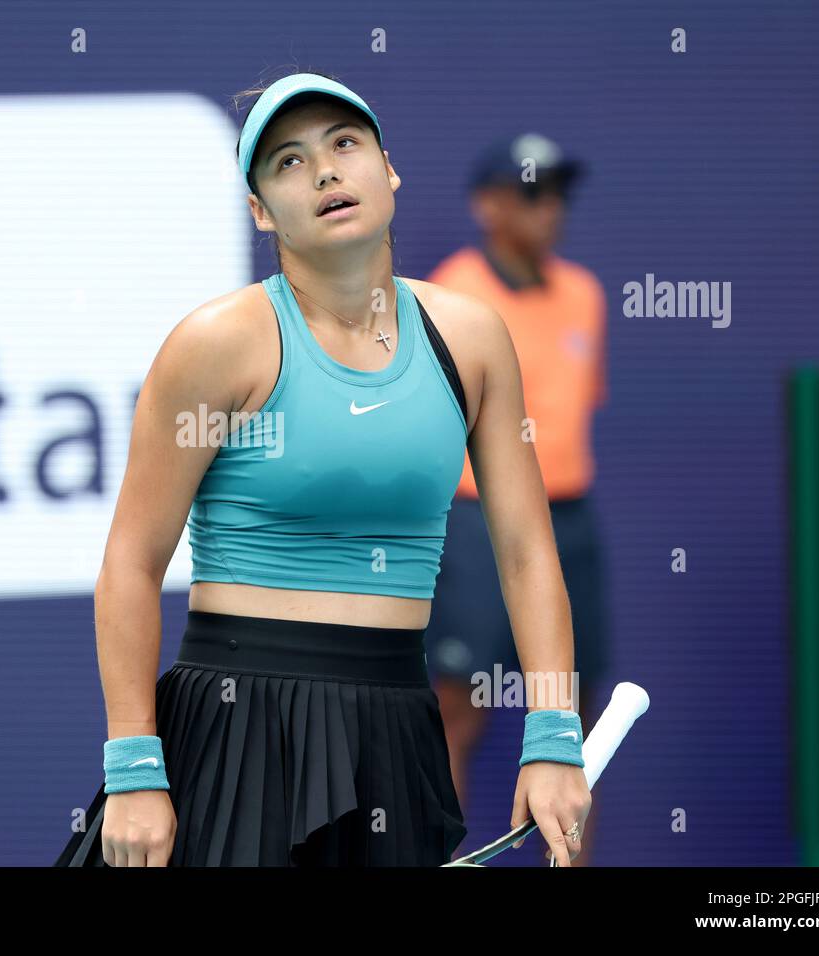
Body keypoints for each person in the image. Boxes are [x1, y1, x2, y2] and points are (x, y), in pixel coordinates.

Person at [55, 72, 590, 867]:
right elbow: (131, 563)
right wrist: (134, 769)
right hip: (238, 728)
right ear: (262, 210)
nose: (327, 172)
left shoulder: (473, 339)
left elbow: (525, 550)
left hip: (398, 729)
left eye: (345, 145)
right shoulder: (213, 343)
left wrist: (553, 738)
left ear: (389, 169)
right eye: (289, 162)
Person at [423, 133, 610, 865]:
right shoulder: (451, 295)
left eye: (558, 194)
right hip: (476, 524)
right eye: (532, 193)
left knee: (575, 718)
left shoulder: (587, 295)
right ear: (489, 206)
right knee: (457, 713)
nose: (550, 210)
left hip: (570, 520)